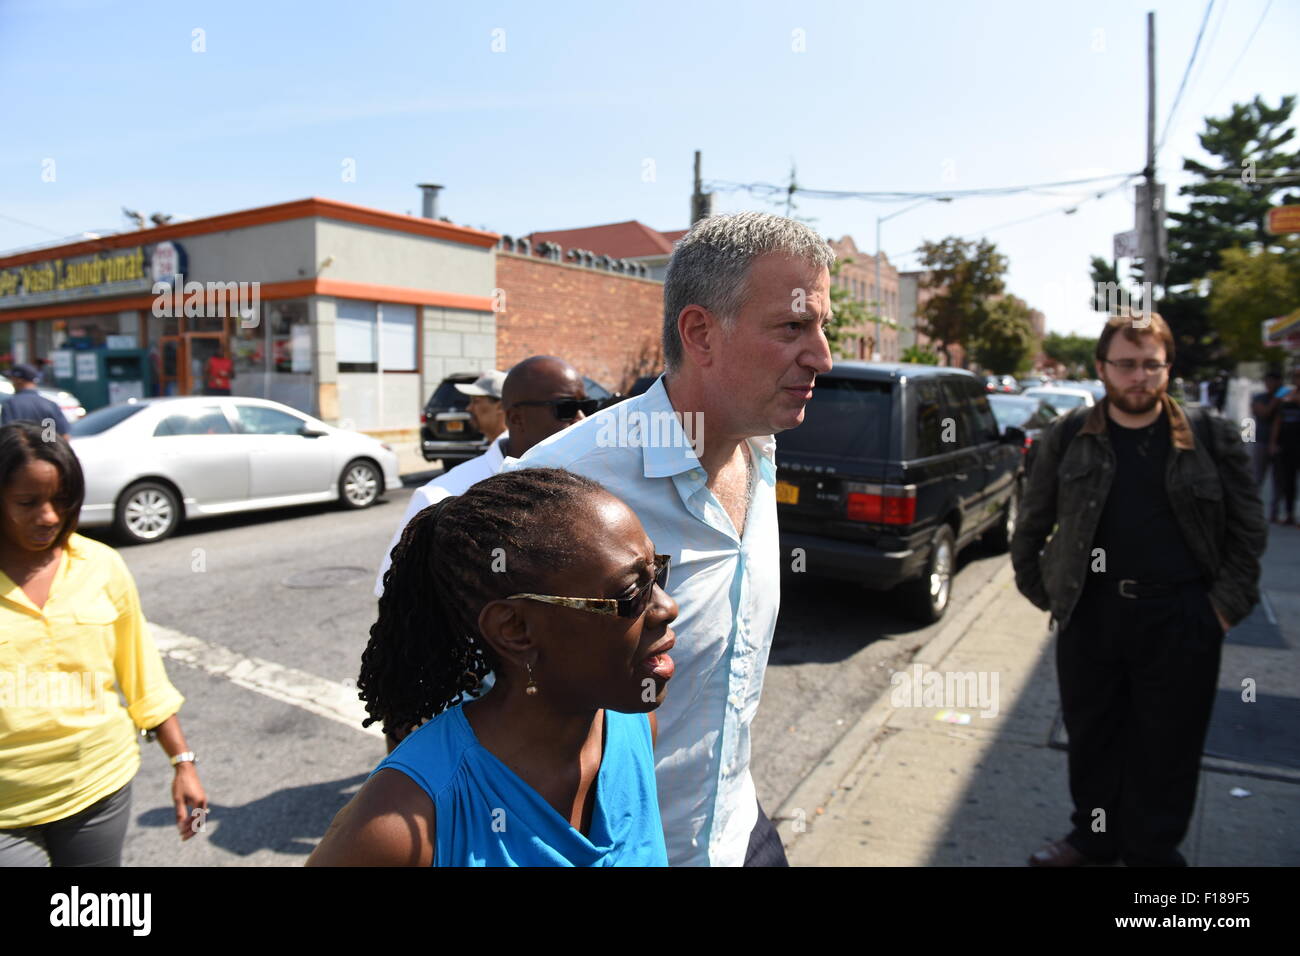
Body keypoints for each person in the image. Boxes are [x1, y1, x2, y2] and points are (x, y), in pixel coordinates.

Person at [506, 211, 835, 866]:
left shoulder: (762, 452)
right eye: (793, 327)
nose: (823, 356)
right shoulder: (562, 483)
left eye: (823, 327)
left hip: (738, 833)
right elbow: (463, 703)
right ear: (701, 333)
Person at [309, 468, 677, 866]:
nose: (667, 607)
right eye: (630, 593)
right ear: (515, 629)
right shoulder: (402, 822)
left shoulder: (633, 729)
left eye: (656, 572)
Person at [1012, 311, 1266, 867]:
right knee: (1093, 737)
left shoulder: (1210, 434)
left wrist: (1221, 611)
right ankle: (1093, 838)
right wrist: (1051, 597)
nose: (1139, 377)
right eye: (1126, 365)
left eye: (1151, 365)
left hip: (1182, 617)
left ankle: (1153, 850)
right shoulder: (1069, 433)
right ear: (1102, 368)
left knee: (1168, 745)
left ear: (1167, 368)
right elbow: (1032, 524)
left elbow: (1249, 531)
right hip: (1093, 616)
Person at [0, 422, 207, 865]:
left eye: (62, 500)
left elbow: (142, 674)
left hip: (98, 786)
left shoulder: (100, 565)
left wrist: (182, 762)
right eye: (27, 502)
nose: (49, 517)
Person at [372, 356, 595, 751]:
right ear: (518, 418)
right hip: (478, 716)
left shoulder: (591, 486)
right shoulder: (444, 496)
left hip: (568, 708)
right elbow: (399, 608)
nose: (580, 419)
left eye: (587, 406)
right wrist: (406, 712)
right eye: (565, 409)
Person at [1, 365, 69, 437]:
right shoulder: (50, 404)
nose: (12, 382)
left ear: (18, 380)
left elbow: (6, 435)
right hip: (47, 447)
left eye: (12, 379)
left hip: (20, 447)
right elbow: (64, 436)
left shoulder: (10, 404)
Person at [1269, 367, 1300, 525]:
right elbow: (1277, 420)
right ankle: (1289, 514)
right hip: (1288, 445)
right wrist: (1273, 443)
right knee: (1288, 481)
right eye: (1295, 377)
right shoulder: (1286, 394)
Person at [455, 369, 507, 443]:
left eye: (476, 401)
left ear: (500, 407)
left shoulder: (514, 450)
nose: (468, 408)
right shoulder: (502, 448)